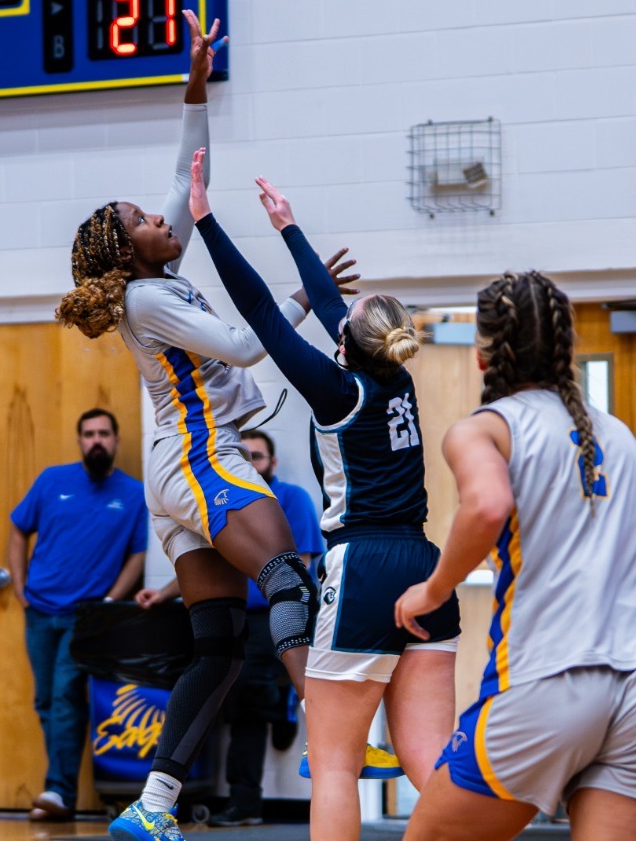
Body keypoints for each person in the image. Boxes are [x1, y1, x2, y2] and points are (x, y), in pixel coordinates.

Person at [54, 10, 365, 841]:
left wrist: (196, 77)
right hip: (199, 460)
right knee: (292, 581)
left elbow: (187, 175)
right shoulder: (149, 296)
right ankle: (332, 736)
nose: (162, 221)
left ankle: (151, 810)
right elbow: (242, 346)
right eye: (145, 221)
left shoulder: (152, 272)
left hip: (179, 469)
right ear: (131, 250)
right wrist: (304, 294)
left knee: (221, 644)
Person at [185, 158, 459, 840]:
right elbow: (338, 310)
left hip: (364, 565)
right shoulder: (391, 376)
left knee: (333, 765)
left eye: (346, 318)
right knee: (431, 762)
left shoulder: (338, 389)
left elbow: (259, 315)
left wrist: (207, 224)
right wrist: (289, 227)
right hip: (424, 564)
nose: (336, 318)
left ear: (347, 344)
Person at [395, 270, 636, 841]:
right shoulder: (621, 438)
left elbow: (488, 506)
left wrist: (433, 589)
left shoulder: (486, 428)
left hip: (548, 686)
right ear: (567, 349)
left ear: (483, 355)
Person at [136, 430, 323, 828]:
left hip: (266, 618)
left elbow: (298, 576)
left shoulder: (288, 499)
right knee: (234, 698)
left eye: (257, 456)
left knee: (241, 693)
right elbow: (211, 563)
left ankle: (175, 803)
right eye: (247, 455)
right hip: (241, 610)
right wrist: (165, 593)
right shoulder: (205, 489)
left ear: (271, 463)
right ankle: (183, 802)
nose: (251, 462)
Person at [3, 407, 149, 823]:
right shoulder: (52, 481)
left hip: (85, 617)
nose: (96, 440)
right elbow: (18, 528)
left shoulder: (134, 493)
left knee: (66, 696)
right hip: (40, 610)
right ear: (80, 440)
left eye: (104, 433)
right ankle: (59, 789)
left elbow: (138, 555)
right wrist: (18, 585)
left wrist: (108, 603)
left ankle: (59, 791)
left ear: (116, 441)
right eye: (89, 434)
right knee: (46, 700)